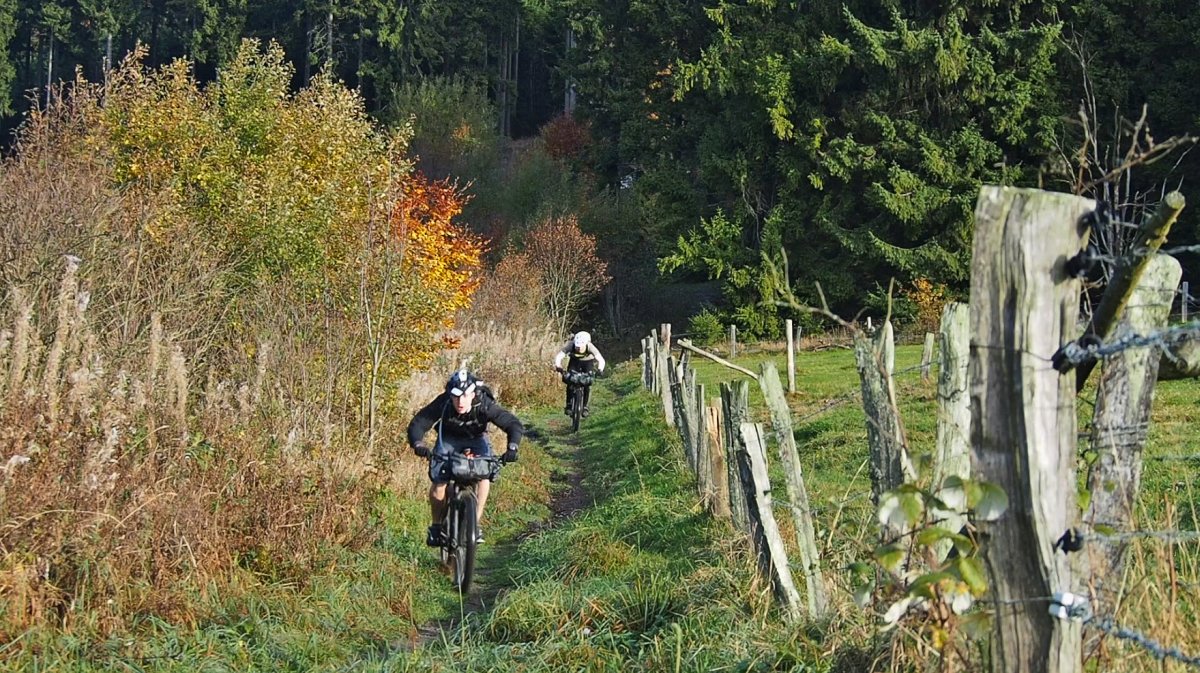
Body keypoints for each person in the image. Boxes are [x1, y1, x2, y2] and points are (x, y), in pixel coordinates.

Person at [407, 369, 523, 547]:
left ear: (473, 394)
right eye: (456, 396)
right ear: (450, 395)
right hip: (448, 439)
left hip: (476, 439)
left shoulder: (484, 403)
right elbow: (419, 422)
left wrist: (512, 446)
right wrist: (419, 444)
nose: (460, 402)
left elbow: (511, 423)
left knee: (484, 475)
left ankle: (474, 525)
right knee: (439, 481)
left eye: (465, 396)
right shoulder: (444, 403)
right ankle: (437, 526)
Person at [553, 330, 606, 417]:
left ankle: (585, 407)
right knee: (570, 381)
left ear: (586, 344)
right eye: (577, 347)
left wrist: (600, 370)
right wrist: (558, 366)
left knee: (587, 384)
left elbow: (601, 359)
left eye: (581, 347)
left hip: (588, 363)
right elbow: (559, 356)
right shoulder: (570, 345)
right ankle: (569, 405)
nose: (578, 349)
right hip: (574, 362)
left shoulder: (590, 347)